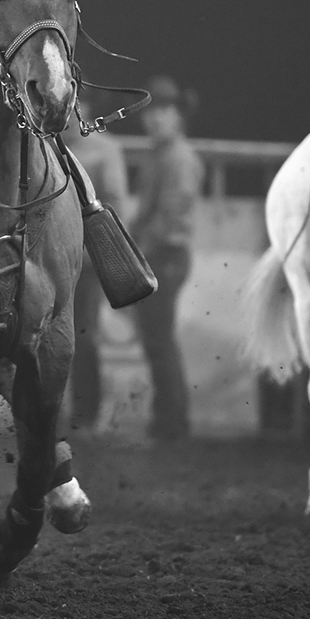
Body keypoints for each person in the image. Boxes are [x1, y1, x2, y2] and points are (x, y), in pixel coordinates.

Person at [130, 75, 202, 441]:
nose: (154, 118)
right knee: (157, 338)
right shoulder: (163, 154)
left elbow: (170, 213)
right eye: (151, 111)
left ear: (177, 115)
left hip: (165, 254)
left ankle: (171, 422)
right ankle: (168, 420)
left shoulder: (177, 157)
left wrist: (137, 250)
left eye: (162, 110)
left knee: (159, 339)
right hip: (160, 253)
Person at [62, 108, 130, 431]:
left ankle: (88, 411)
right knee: (69, 336)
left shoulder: (103, 150)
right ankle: (79, 411)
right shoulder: (55, 145)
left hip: (86, 260)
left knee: (84, 335)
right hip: (60, 257)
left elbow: (114, 202)